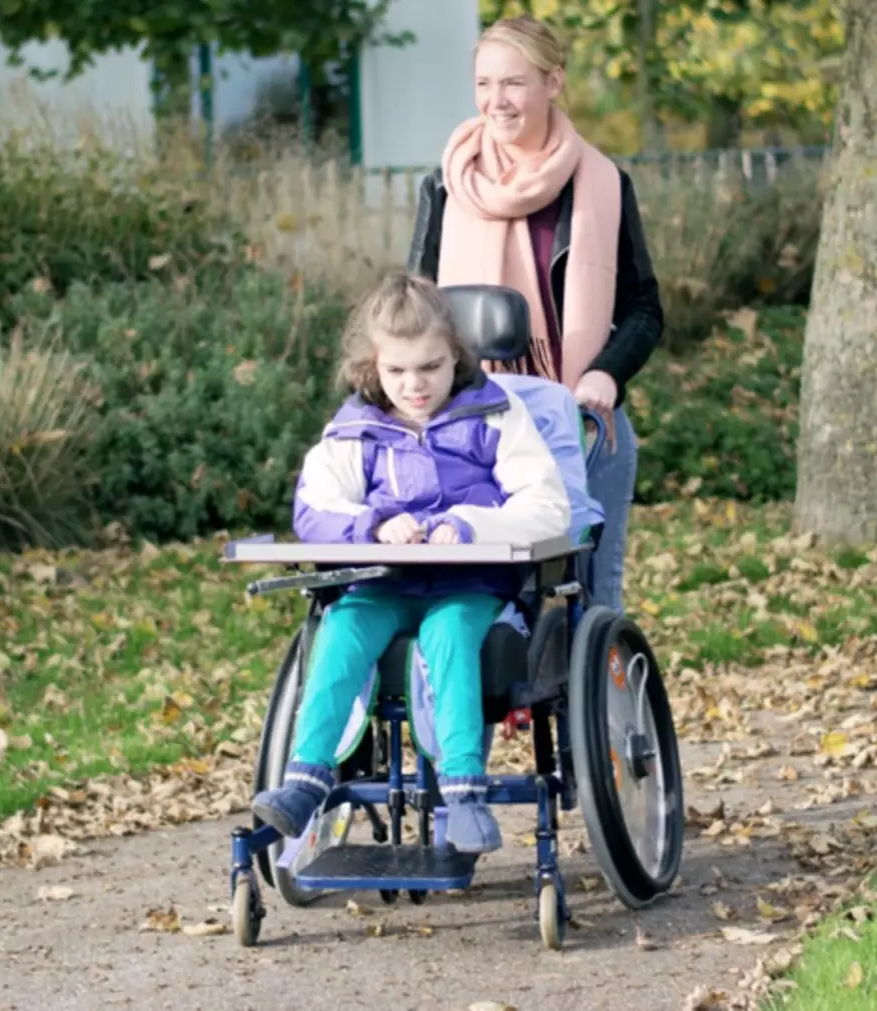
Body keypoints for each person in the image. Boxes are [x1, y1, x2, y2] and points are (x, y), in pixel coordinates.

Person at [250, 270, 572, 855]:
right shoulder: (355, 430)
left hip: (469, 583)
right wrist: (370, 524)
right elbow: (314, 510)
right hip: (383, 584)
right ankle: (305, 780)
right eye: (397, 371)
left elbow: (548, 507)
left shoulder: (496, 418)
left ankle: (465, 790)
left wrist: (471, 524)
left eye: (430, 367)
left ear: (456, 356)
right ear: (374, 365)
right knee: (342, 627)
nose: (415, 385)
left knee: (449, 634)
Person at [407, 13, 664, 614]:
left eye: (514, 83)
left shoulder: (601, 184)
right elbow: (412, 316)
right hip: (474, 427)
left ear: (553, 82)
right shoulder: (447, 186)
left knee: (591, 605)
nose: (496, 101)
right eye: (484, 84)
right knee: (482, 601)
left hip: (580, 421)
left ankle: (602, 710)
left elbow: (644, 308)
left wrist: (607, 371)